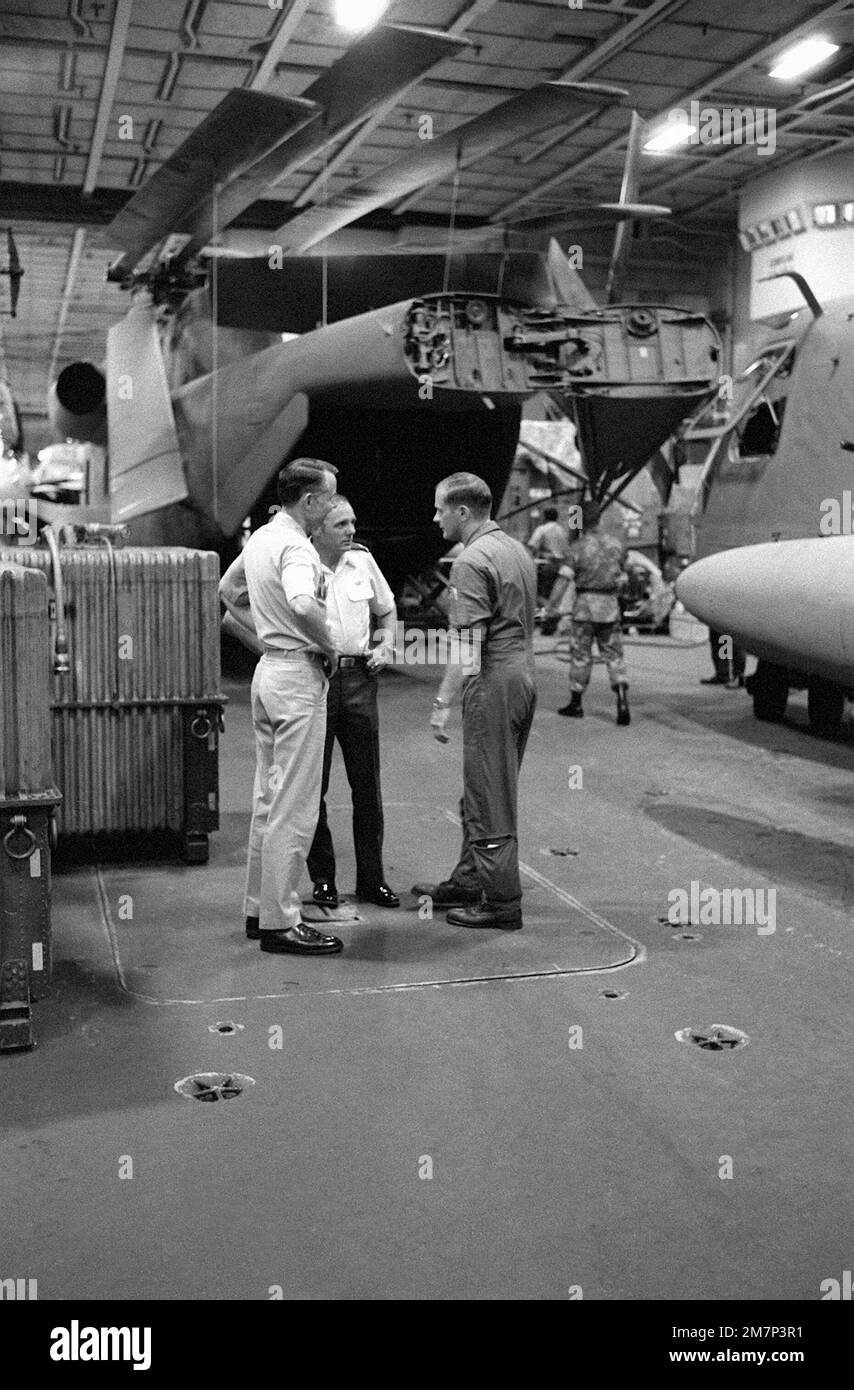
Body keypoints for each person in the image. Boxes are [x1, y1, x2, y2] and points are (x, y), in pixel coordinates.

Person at [218, 458, 344, 957]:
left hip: (268, 672)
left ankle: (258, 909)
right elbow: (302, 603)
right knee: (295, 805)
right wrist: (328, 645)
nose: (334, 506)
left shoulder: (263, 538)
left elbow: (228, 591)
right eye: (330, 498)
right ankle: (281, 922)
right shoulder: (296, 547)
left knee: (268, 801)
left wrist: (265, 631)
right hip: (297, 679)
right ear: (309, 501)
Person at [413, 472, 537, 931]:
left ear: (462, 512)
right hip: (522, 676)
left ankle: (502, 901)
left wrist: (442, 702)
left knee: (489, 794)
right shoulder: (514, 549)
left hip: (494, 680)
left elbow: (467, 646)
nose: (435, 517)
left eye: (440, 508)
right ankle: (470, 879)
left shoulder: (471, 560)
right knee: (485, 786)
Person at [306, 496, 400, 909]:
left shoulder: (362, 561)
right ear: (319, 528)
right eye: (342, 524)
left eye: (353, 522)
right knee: (315, 787)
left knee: (367, 787)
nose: (350, 531)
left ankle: (371, 880)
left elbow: (388, 609)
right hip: (318, 679)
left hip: (361, 678)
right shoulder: (300, 564)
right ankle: (323, 879)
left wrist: (386, 645)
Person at [542, 501, 630, 725]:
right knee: (614, 655)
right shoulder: (616, 546)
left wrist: (551, 607)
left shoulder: (577, 548)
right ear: (599, 519)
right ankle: (621, 697)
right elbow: (623, 578)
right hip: (610, 607)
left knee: (581, 656)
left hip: (584, 609)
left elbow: (563, 580)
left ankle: (576, 703)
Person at [527, 505, 568, 601]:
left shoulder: (542, 529)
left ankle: (541, 612)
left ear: (545, 517)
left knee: (541, 594)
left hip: (545, 565)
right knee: (553, 593)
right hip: (560, 566)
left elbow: (532, 545)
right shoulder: (562, 530)